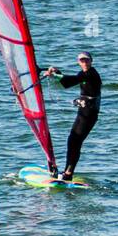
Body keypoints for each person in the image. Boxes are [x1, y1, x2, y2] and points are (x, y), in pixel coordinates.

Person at [44, 52, 101, 182]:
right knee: (73, 141)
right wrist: (57, 73)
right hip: (84, 113)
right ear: (78, 62)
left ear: (91, 61)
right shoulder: (83, 74)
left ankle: (69, 173)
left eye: (86, 60)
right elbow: (68, 83)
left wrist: (56, 75)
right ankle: (67, 172)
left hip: (89, 115)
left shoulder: (91, 74)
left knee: (75, 141)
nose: (84, 63)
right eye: (82, 61)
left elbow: (73, 80)